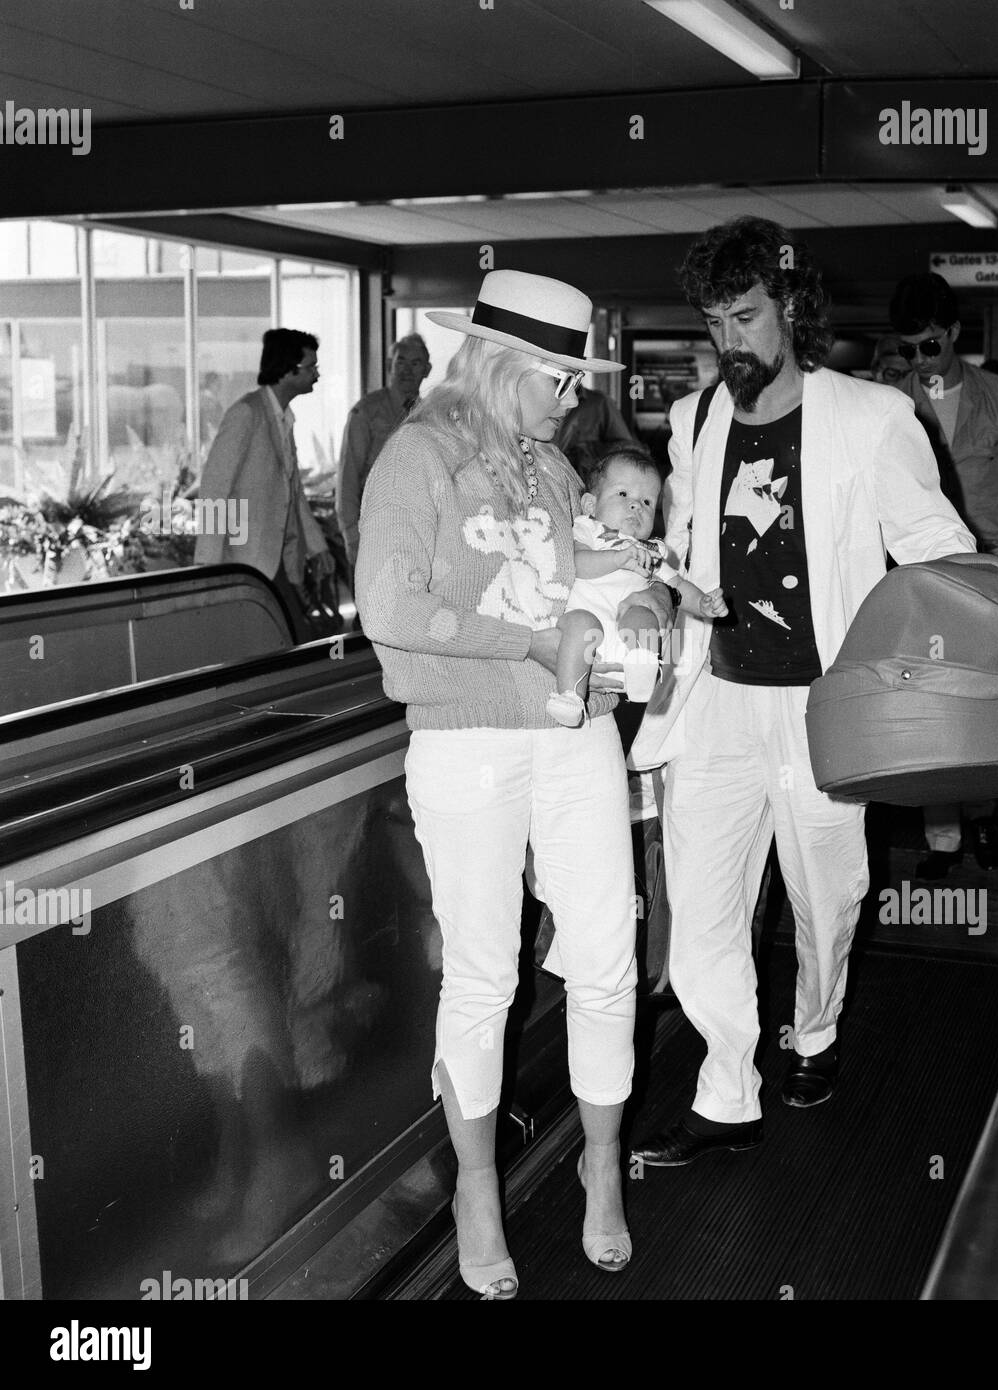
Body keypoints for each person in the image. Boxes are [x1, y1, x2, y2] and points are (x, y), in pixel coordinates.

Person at [627, 217, 974, 1166]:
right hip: (718, 698)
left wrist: (935, 661)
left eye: (745, 318)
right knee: (701, 908)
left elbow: (938, 551)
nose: (728, 343)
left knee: (825, 897)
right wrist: (656, 593)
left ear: (793, 309)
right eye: (713, 324)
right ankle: (726, 1090)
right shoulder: (695, 421)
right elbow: (689, 541)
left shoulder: (869, 418)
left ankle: (812, 1033)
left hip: (823, 705)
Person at [356, 270, 672, 1297]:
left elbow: (588, 577)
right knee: (487, 975)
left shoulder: (547, 467)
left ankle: (599, 1160)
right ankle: (478, 1188)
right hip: (468, 744)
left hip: (573, 737)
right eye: (561, 376)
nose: (575, 396)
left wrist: (641, 608)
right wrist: (537, 644)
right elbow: (390, 609)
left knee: (605, 958)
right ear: (503, 363)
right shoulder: (417, 457)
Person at [889, 273, 998, 879]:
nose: (919, 360)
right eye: (908, 349)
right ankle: (943, 834)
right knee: (930, 703)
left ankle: (983, 811)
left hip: (993, 564)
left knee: (987, 700)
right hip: (923, 574)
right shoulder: (893, 401)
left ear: (954, 333)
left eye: (930, 345)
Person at [548, 444, 727, 727]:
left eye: (646, 502)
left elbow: (677, 584)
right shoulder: (589, 530)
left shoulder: (650, 550)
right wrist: (618, 558)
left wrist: (703, 603)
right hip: (584, 642)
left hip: (628, 650)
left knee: (644, 614)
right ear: (590, 505)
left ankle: (643, 669)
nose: (636, 505)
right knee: (580, 622)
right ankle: (570, 696)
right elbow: (576, 564)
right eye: (623, 494)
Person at [195, 328, 334, 641]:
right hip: (246, 563)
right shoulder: (246, 413)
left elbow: (295, 495)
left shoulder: (284, 418)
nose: (316, 374)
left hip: (278, 562)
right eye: (311, 367)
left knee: (285, 639)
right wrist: (208, 569)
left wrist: (318, 547)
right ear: (287, 370)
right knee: (276, 640)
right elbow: (215, 492)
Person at [336, 333, 432, 572]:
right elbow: (347, 480)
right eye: (400, 361)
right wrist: (352, 538)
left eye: (415, 363)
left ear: (427, 370)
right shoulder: (366, 412)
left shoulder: (431, 415)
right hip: (371, 534)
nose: (406, 370)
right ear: (390, 364)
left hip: (416, 537)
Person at [554, 383, 634, 478]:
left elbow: (627, 448)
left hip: (583, 481)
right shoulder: (547, 398)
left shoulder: (599, 402)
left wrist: (588, 451)